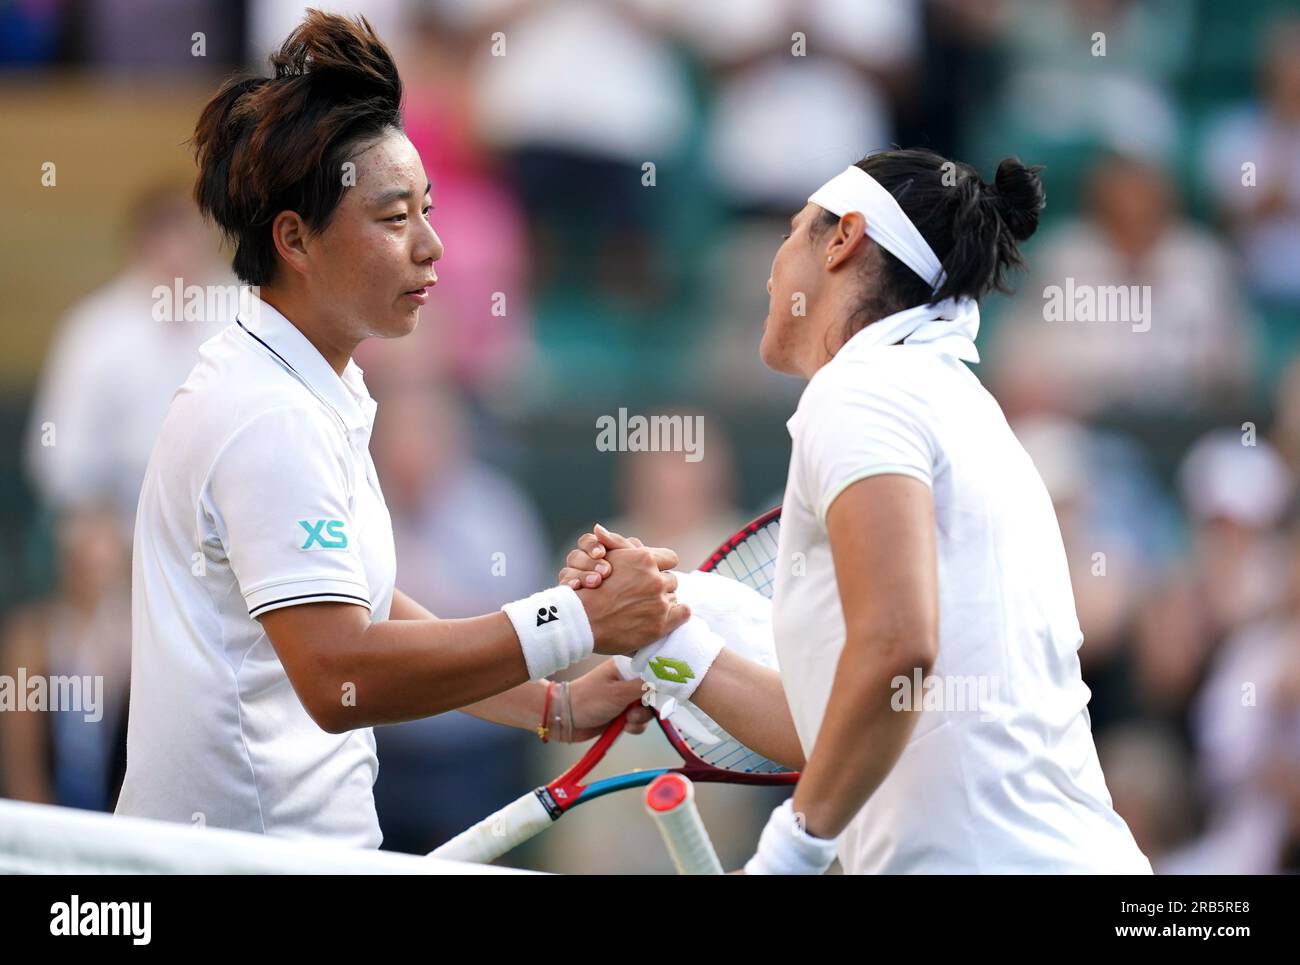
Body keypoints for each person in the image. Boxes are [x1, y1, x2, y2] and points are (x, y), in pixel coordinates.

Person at [114, 10, 689, 849]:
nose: (433, 246)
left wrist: (554, 701)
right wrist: (574, 620)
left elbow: (368, 605)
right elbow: (340, 670)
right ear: (295, 240)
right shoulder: (268, 416)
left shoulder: (311, 382)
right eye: (394, 220)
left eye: (428, 209)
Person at [562, 148, 1153, 874]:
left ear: (844, 238)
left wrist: (787, 852)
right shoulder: (958, 404)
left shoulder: (862, 389)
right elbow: (835, 723)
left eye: (789, 232)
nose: (770, 267)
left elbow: (898, 644)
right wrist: (665, 638)